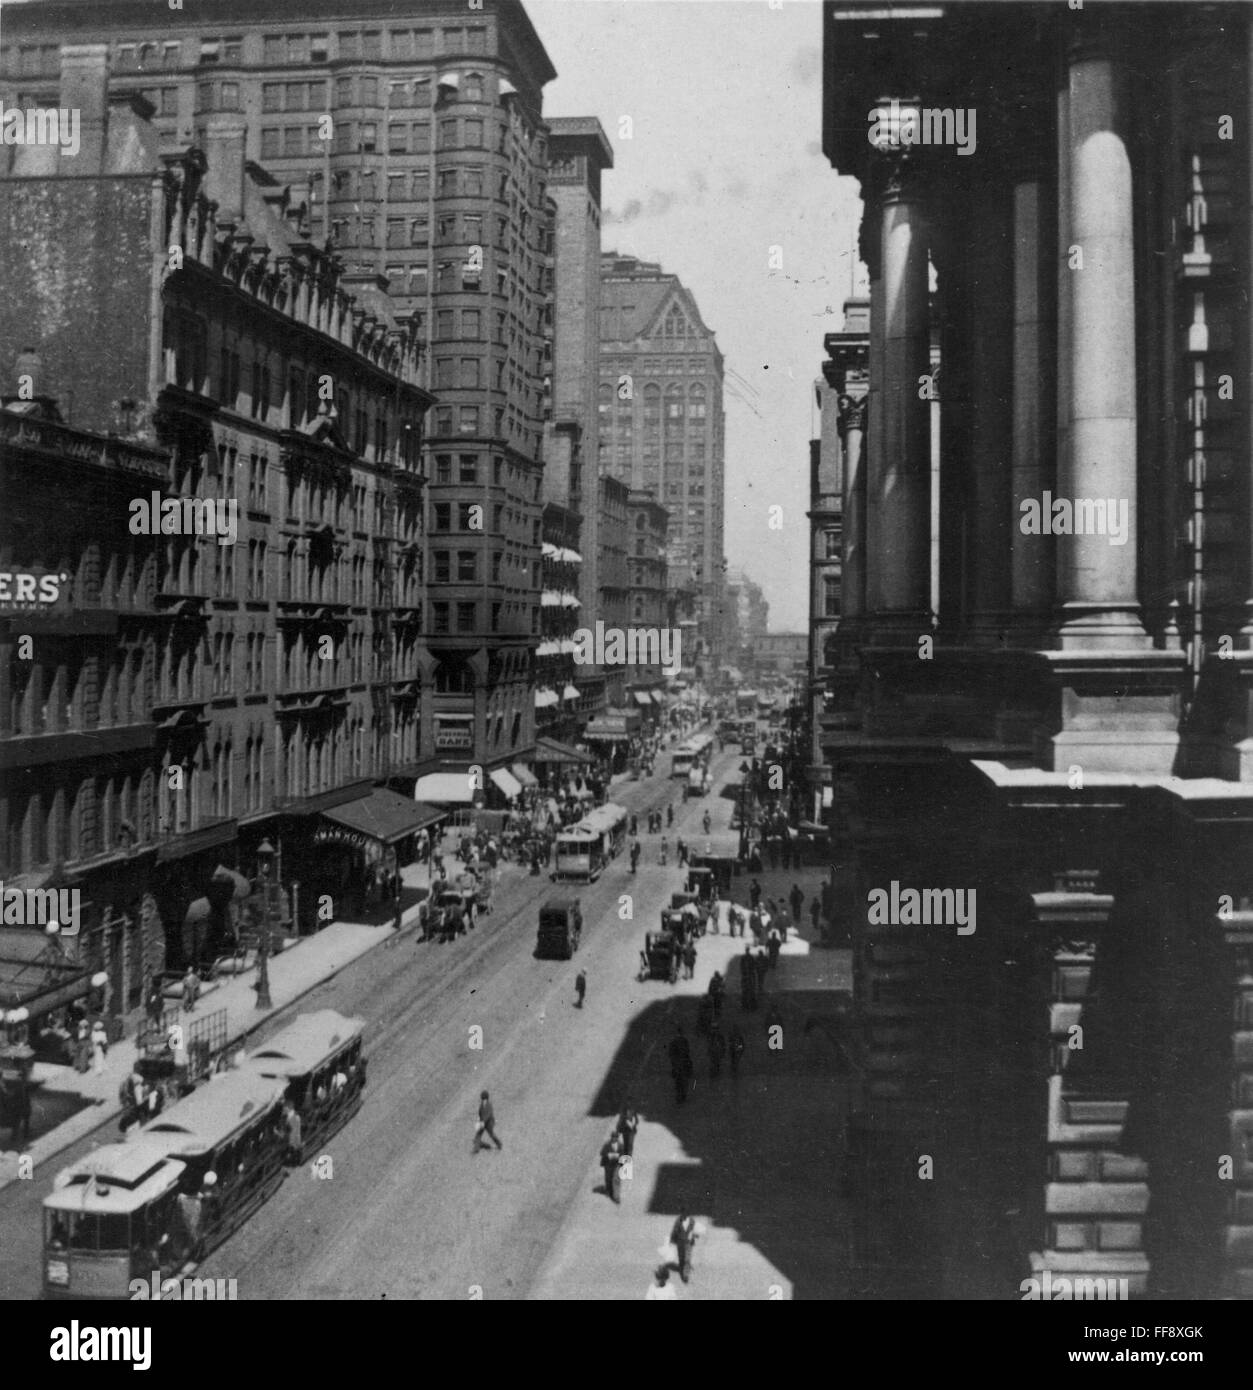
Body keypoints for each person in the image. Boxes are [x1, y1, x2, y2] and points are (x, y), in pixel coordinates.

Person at [667, 1026, 693, 1104]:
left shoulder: (673, 1042)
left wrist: (674, 1063)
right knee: (683, 1081)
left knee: (678, 1082)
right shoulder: (684, 1040)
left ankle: (680, 1096)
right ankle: (682, 1095)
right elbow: (687, 1052)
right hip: (683, 1064)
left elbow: (671, 1054)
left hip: (677, 1064)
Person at [671, 1211, 698, 1284]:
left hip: (689, 1243)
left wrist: (695, 1235)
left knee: (687, 1260)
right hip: (680, 1243)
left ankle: (685, 1275)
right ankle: (682, 1268)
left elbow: (694, 1230)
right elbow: (675, 1230)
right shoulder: (678, 1220)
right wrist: (672, 1239)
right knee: (681, 1259)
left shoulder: (692, 1220)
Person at [600, 1130, 624, 1204]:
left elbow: (623, 1154)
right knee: (608, 1178)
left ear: (617, 1138)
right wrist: (608, 1155)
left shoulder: (620, 1145)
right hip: (608, 1164)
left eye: (616, 1137)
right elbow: (602, 1153)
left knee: (617, 1180)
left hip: (617, 1164)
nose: (614, 1138)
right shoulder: (607, 1144)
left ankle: (616, 1197)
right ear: (611, 1137)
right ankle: (608, 1190)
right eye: (613, 1137)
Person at [283, 1100, 303, 1165]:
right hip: (295, 1132)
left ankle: (297, 1159)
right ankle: (297, 1159)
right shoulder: (293, 1115)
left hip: (294, 1133)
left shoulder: (291, 1116)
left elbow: (289, 1127)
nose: (284, 1110)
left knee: (294, 1146)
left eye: (285, 1108)